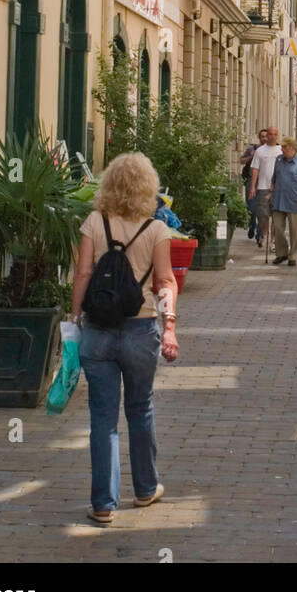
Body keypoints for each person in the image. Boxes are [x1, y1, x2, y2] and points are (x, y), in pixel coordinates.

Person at [72, 153, 179, 525]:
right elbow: (164, 281)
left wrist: (75, 316)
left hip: (98, 330)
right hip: (140, 327)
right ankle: (146, 489)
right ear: (148, 187)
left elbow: (83, 274)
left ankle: (103, 504)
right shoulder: (156, 229)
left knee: (102, 418)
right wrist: (170, 326)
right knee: (140, 408)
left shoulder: (93, 222)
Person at [270, 138, 297, 266]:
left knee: (295, 230)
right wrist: (269, 193)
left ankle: (292, 255)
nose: (282, 150)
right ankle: (281, 253)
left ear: (292, 149)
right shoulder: (278, 160)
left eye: (284, 148)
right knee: (277, 228)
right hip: (278, 199)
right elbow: (274, 179)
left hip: (294, 200)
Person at [249, 127, 282, 248]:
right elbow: (255, 169)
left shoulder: (281, 150)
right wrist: (253, 187)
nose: (272, 136)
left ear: (277, 136)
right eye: (270, 134)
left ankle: (273, 240)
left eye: (275, 134)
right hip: (262, 186)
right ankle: (264, 232)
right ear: (267, 135)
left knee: (276, 216)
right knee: (262, 215)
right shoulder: (260, 151)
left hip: (278, 188)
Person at [242, 129, 268, 240]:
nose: (264, 138)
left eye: (266, 136)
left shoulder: (270, 151)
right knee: (251, 208)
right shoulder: (251, 149)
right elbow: (241, 161)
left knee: (262, 210)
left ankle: (260, 233)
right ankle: (251, 225)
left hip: (264, 183)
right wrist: (252, 156)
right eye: (262, 136)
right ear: (259, 137)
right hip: (251, 182)